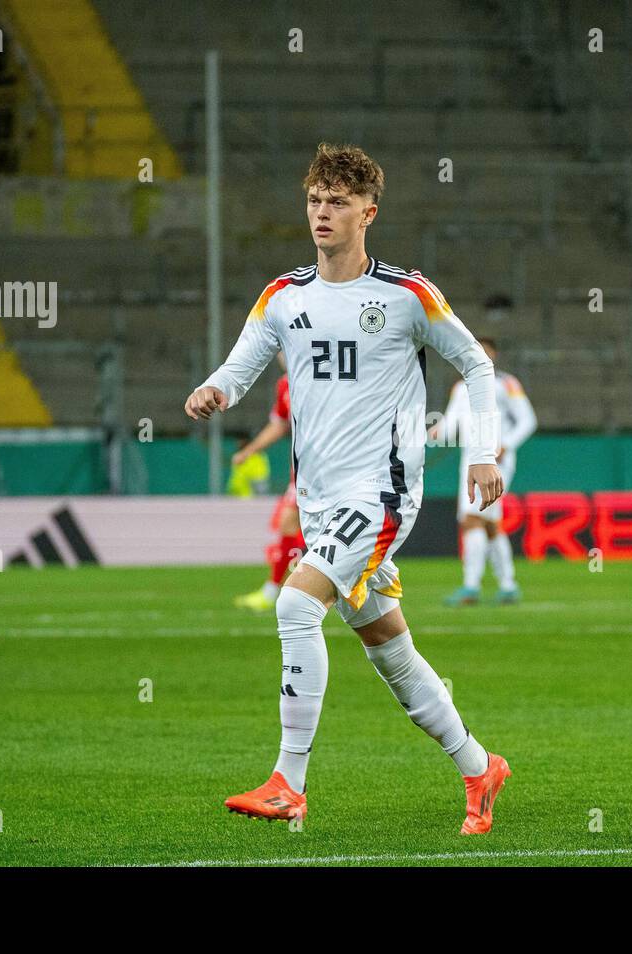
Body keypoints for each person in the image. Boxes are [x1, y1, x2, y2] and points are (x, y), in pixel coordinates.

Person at [183, 143, 511, 835]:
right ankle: (480, 766)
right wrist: (215, 388)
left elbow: (476, 364)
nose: (321, 213)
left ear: (369, 211)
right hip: (323, 500)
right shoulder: (284, 295)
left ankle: (288, 784)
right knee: (390, 649)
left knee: (295, 606)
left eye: (336, 201)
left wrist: (482, 451)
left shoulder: (405, 295)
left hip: (382, 493)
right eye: (313, 200)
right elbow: (242, 364)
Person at [438, 337, 537, 605]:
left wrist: (507, 444)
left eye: (486, 350)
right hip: (469, 460)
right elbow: (450, 426)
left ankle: (471, 586)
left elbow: (528, 419)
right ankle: (507, 585)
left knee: (471, 519)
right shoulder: (460, 387)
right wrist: (426, 434)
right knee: (489, 523)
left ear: (494, 354)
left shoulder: (506, 383)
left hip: (494, 459)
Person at [230, 355, 306, 611]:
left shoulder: (326, 377)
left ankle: (290, 590)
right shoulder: (285, 385)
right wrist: (249, 450)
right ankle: (275, 591)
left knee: (311, 527)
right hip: (303, 468)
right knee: (288, 522)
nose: (283, 355)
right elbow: (280, 425)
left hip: (335, 465)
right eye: (280, 350)